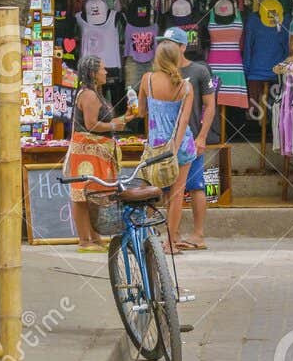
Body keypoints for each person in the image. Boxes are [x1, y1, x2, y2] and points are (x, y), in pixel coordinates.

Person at [64, 57, 132, 251]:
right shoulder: (89, 96)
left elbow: (102, 123)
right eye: (102, 69)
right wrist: (113, 125)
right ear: (93, 73)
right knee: (83, 196)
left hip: (93, 152)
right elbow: (91, 124)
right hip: (87, 153)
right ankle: (84, 240)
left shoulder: (93, 93)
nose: (106, 72)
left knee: (92, 195)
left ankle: (94, 238)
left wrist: (126, 118)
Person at [162, 26, 218, 251]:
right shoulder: (160, 72)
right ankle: (172, 234)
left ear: (183, 47)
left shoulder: (200, 71)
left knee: (195, 186)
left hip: (191, 138)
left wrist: (203, 136)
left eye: (172, 44)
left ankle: (198, 234)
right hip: (166, 140)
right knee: (169, 188)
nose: (167, 48)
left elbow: (211, 106)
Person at [138, 38, 195, 255]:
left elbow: (141, 112)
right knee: (177, 194)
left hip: (155, 146)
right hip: (179, 147)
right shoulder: (185, 86)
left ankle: (146, 237)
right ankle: (170, 243)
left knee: (151, 192)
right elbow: (184, 121)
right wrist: (174, 148)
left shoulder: (147, 80)